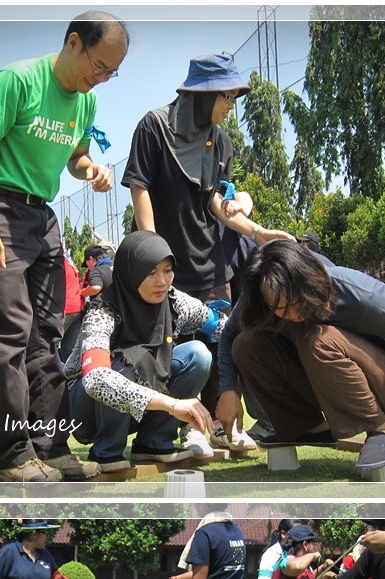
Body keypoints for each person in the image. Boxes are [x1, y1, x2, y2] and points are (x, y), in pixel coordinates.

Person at [0, 10, 130, 483]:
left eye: (112, 73)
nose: (102, 78)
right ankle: (9, 457)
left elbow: (74, 154)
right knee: (5, 337)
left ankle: (49, 449)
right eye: (99, 66)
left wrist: (91, 167)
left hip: (40, 217)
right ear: (74, 43)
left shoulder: (84, 104)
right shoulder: (17, 80)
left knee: (47, 336)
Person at [123, 53, 293, 450]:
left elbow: (215, 202)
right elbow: (139, 186)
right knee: (172, 351)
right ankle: (186, 429)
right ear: (204, 94)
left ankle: (225, 427)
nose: (230, 107)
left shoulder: (222, 142)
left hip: (211, 267)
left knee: (224, 346)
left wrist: (258, 231)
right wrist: (153, 255)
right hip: (167, 269)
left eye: (234, 99)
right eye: (227, 98)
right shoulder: (155, 127)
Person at [215, 240, 385, 471]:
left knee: (316, 337)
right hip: (328, 384)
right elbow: (228, 336)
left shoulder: (363, 296)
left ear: (310, 281)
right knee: (246, 343)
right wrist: (228, 390)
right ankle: (310, 428)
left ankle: (383, 431)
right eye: (279, 310)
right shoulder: (265, 291)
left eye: (295, 304)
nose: (290, 315)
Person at [65, 230, 216, 472]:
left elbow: (221, 328)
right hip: (86, 411)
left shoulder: (175, 301)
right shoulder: (102, 312)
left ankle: (153, 442)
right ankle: (107, 450)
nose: (162, 281)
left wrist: (229, 388)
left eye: (168, 270)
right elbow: (95, 380)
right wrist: (171, 405)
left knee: (198, 355)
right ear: (130, 273)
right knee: (122, 364)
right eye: (150, 272)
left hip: (143, 403)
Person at [59, 244, 85, 363]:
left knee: (45, 347)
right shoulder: (70, 263)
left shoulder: (57, 261)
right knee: (70, 352)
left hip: (65, 308)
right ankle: (71, 379)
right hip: (77, 308)